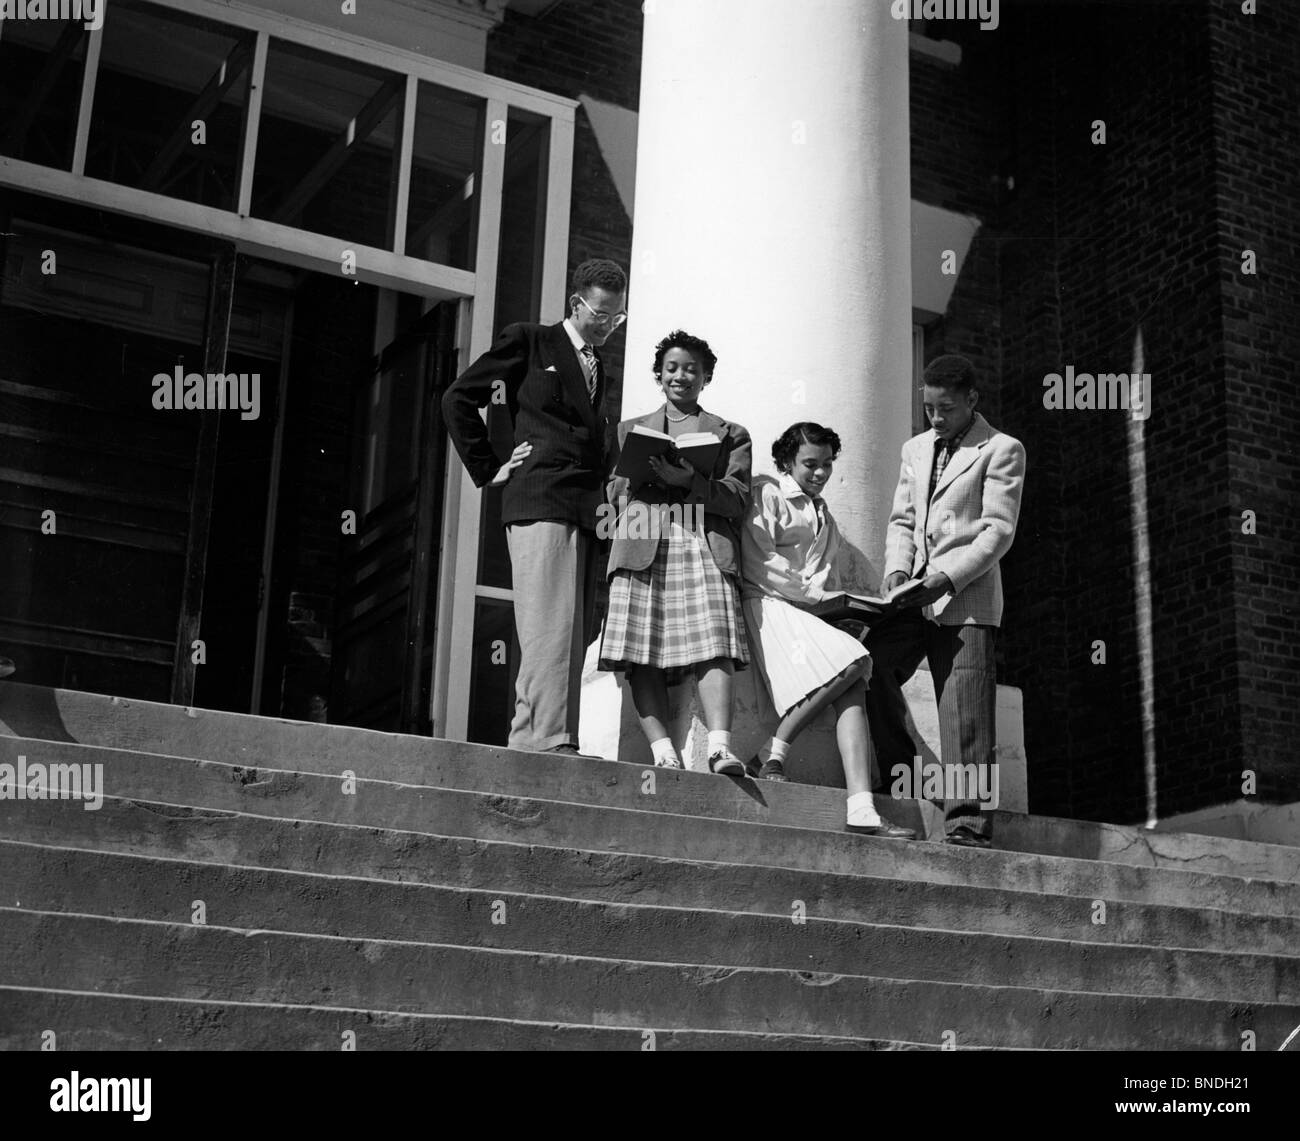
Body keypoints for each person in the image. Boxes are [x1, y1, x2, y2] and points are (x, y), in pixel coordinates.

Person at [440, 258, 628, 756]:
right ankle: (538, 739)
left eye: (617, 319)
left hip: (585, 510)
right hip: (540, 496)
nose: (608, 327)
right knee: (550, 623)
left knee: (571, 628)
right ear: (576, 304)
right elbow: (458, 398)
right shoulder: (530, 340)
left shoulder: (596, 364)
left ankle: (553, 735)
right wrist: (488, 466)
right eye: (601, 316)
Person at [865, 354, 1026, 848]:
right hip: (912, 597)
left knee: (965, 714)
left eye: (947, 409)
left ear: (972, 400)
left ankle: (968, 826)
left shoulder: (1002, 449)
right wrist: (897, 569)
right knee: (871, 668)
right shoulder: (914, 448)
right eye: (929, 408)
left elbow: (998, 531)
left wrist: (947, 579)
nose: (936, 418)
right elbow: (902, 520)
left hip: (966, 598)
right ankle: (902, 780)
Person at [740, 422, 917, 836]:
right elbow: (759, 561)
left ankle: (861, 808)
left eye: (826, 465)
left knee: (856, 680)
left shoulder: (826, 516)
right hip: (768, 606)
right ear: (787, 461)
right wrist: (819, 598)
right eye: (809, 464)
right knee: (857, 660)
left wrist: (845, 605)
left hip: (807, 613)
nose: (819, 473)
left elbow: (823, 578)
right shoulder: (767, 494)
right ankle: (772, 753)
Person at [598, 330, 751, 776]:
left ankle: (720, 748)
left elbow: (738, 499)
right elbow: (612, 494)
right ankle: (664, 752)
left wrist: (689, 481)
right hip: (643, 538)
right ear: (658, 375)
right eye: (671, 368)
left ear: (706, 377)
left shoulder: (730, 433)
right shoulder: (630, 430)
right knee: (641, 650)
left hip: (700, 539)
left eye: (691, 369)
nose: (680, 376)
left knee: (715, 642)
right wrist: (633, 478)